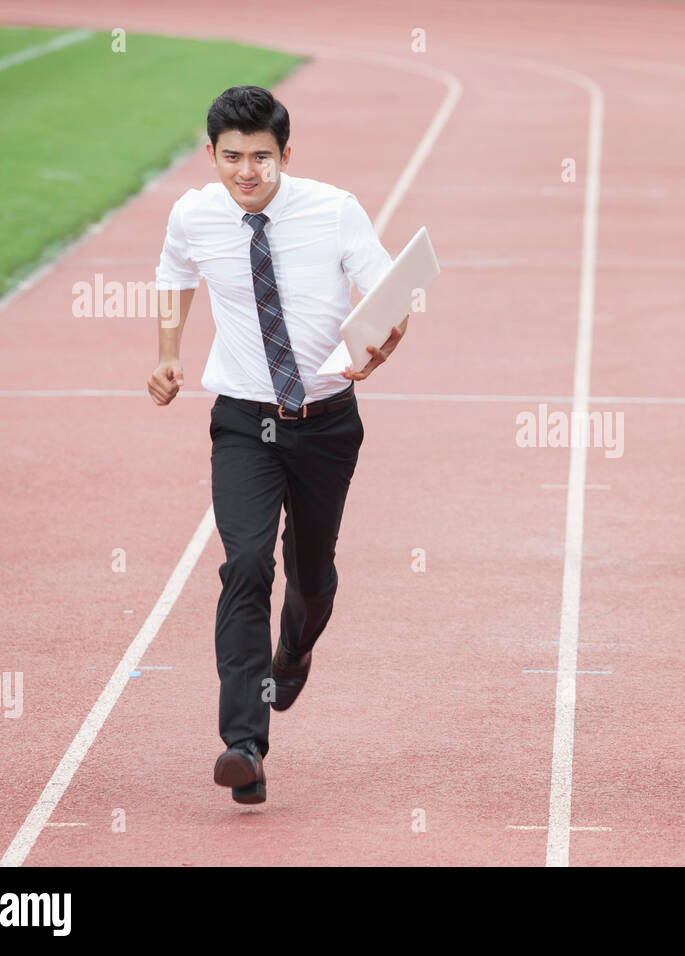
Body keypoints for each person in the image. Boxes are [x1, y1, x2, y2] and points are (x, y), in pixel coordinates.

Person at [148, 85, 409, 803]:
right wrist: (167, 352)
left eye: (261, 156)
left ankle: (293, 652)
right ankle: (243, 744)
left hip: (325, 420)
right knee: (246, 565)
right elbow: (173, 276)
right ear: (211, 155)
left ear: (285, 155)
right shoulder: (195, 214)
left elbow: (391, 292)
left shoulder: (333, 209)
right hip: (242, 421)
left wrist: (381, 348)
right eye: (231, 157)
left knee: (311, 573)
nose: (247, 172)